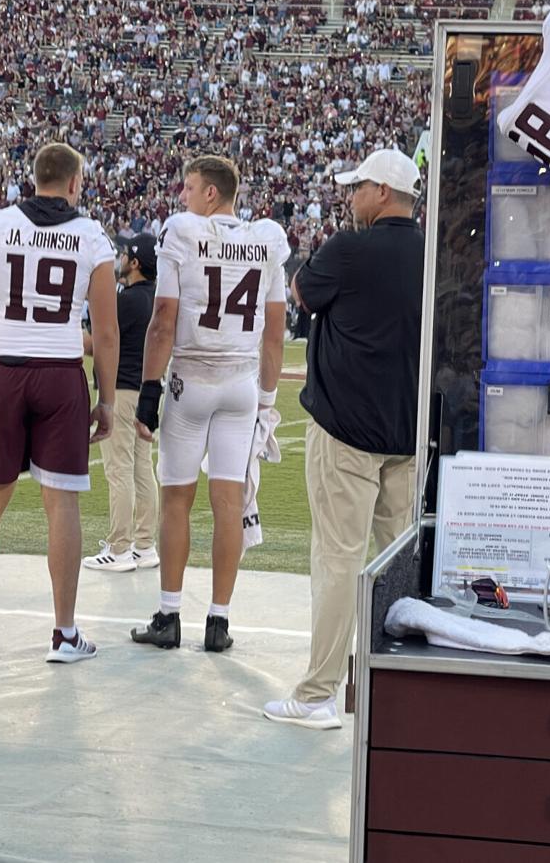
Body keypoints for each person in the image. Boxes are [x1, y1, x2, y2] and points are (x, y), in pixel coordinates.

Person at [0, 143, 119, 664]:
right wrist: (106, 397)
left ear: (33, 179)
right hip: (59, 373)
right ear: (76, 183)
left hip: (3, 368)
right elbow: (105, 331)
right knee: (62, 502)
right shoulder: (91, 236)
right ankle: (63, 633)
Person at [264, 148, 424, 729]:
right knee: (398, 568)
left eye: (357, 187)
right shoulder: (431, 253)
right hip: (406, 434)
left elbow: (303, 293)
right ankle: (395, 691)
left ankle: (317, 695)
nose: (350, 197)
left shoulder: (350, 248)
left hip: (345, 429)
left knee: (338, 561)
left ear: (382, 191)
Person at [130, 155, 288, 653]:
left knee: (176, 497)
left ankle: (170, 615)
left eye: (189, 187)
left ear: (211, 195)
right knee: (228, 504)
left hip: (191, 381)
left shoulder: (183, 234)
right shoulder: (266, 241)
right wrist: (266, 401)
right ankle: (218, 622)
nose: (182, 196)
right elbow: (276, 334)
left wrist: (149, 389)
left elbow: (163, 319)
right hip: (241, 385)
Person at [82, 233, 161, 573]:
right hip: (145, 391)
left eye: (125, 253)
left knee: (119, 470)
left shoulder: (128, 300)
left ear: (136, 262)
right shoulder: (154, 297)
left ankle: (119, 548)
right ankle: (144, 544)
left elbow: (97, 342)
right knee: (142, 468)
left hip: (124, 390)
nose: (120, 257)